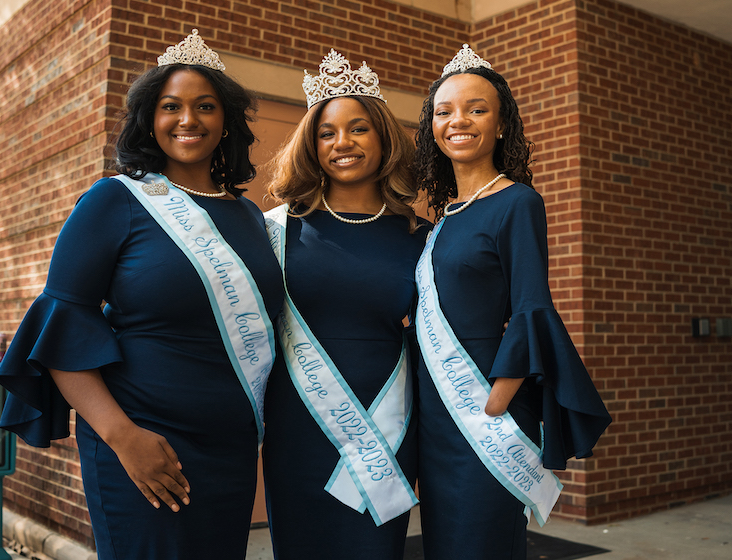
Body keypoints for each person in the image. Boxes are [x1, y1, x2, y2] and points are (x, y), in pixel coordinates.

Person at [0, 30, 284, 560]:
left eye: (205, 106)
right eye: (171, 106)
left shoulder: (247, 216)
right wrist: (122, 437)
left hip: (231, 450)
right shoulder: (115, 201)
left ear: (227, 122)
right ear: (150, 118)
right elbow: (61, 326)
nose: (188, 120)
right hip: (143, 442)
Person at [412, 45, 612, 559]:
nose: (459, 120)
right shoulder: (445, 217)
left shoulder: (518, 202)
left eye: (476, 109)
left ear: (501, 125)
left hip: (485, 402)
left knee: (482, 542)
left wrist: (495, 402)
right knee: (445, 542)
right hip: (436, 412)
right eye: (445, 111)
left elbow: (531, 305)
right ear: (432, 127)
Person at [261, 50, 430, 559]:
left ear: (383, 138)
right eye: (327, 133)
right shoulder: (276, 229)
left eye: (358, 129)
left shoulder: (419, 236)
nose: (343, 144)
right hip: (298, 424)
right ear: (312, 146)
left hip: (386, 424)